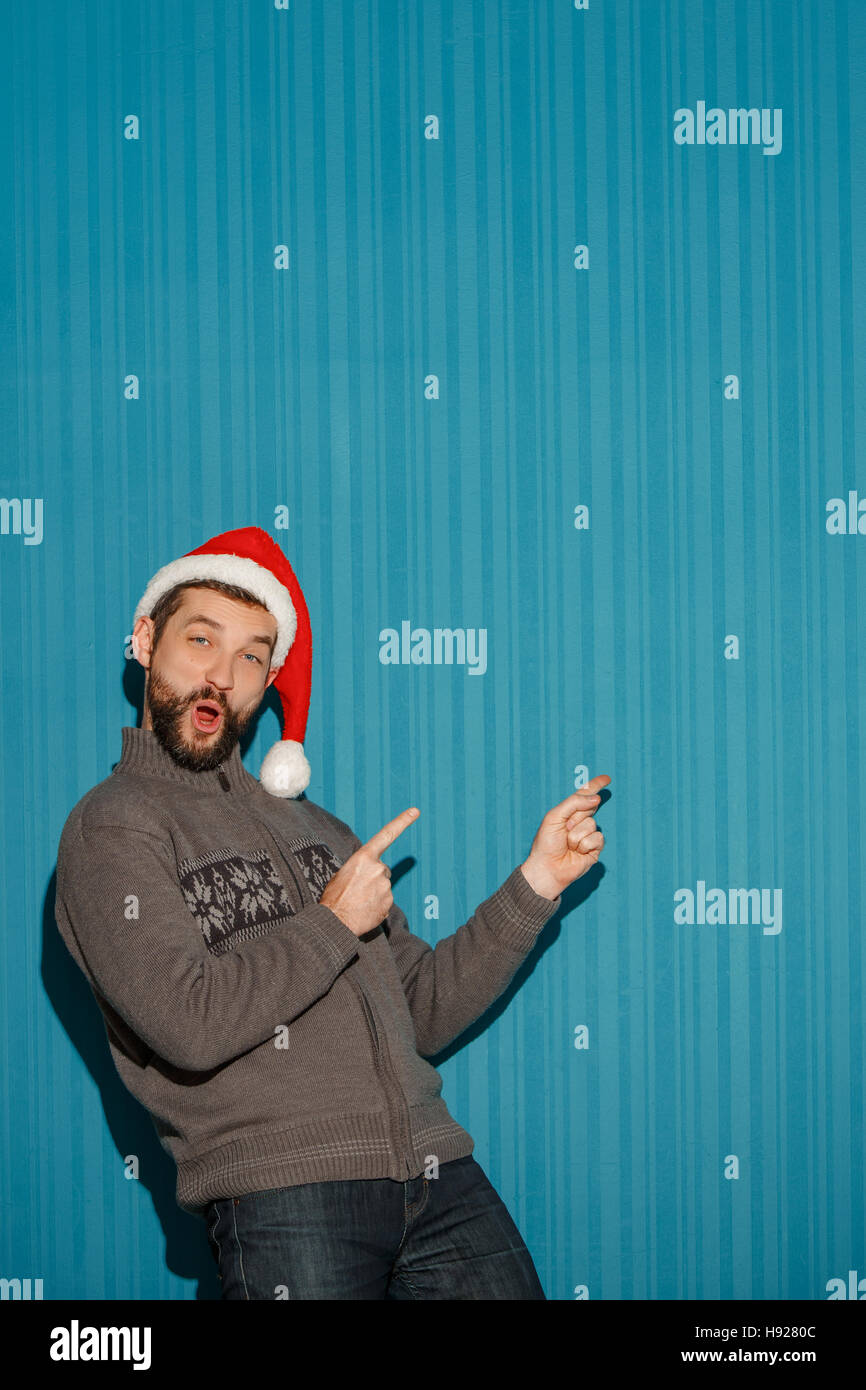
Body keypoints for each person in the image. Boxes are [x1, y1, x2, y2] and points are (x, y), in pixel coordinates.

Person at [54, 525, 610, 1300]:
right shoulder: (112, 824)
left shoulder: (320, 829)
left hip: (438, 1173)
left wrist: (537, 883)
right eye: (201, 639)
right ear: (146, 640)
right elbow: (188, 1021)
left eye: (251, 655)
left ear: (269, 678)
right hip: (287, 1195)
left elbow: (421, 1010)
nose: (221, 675)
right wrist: (331, 922)